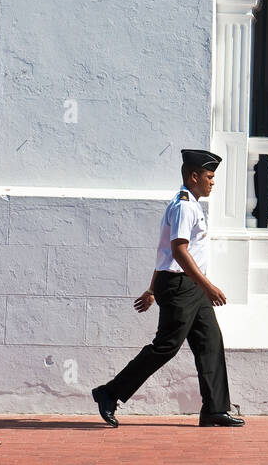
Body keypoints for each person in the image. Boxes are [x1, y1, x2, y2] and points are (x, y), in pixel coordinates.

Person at [91, 149, 243, 427]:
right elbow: (178, 250)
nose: (212, 182)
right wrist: (207, 286)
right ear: (194, 176)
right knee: (166, 346)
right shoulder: (184, 206)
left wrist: (152, 289)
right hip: (181, 286)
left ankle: (214, 409)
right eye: (209, 177)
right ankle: (108, 393)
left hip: (187, 285)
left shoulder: (190, 204)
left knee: (210, 343)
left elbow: (165, 251)